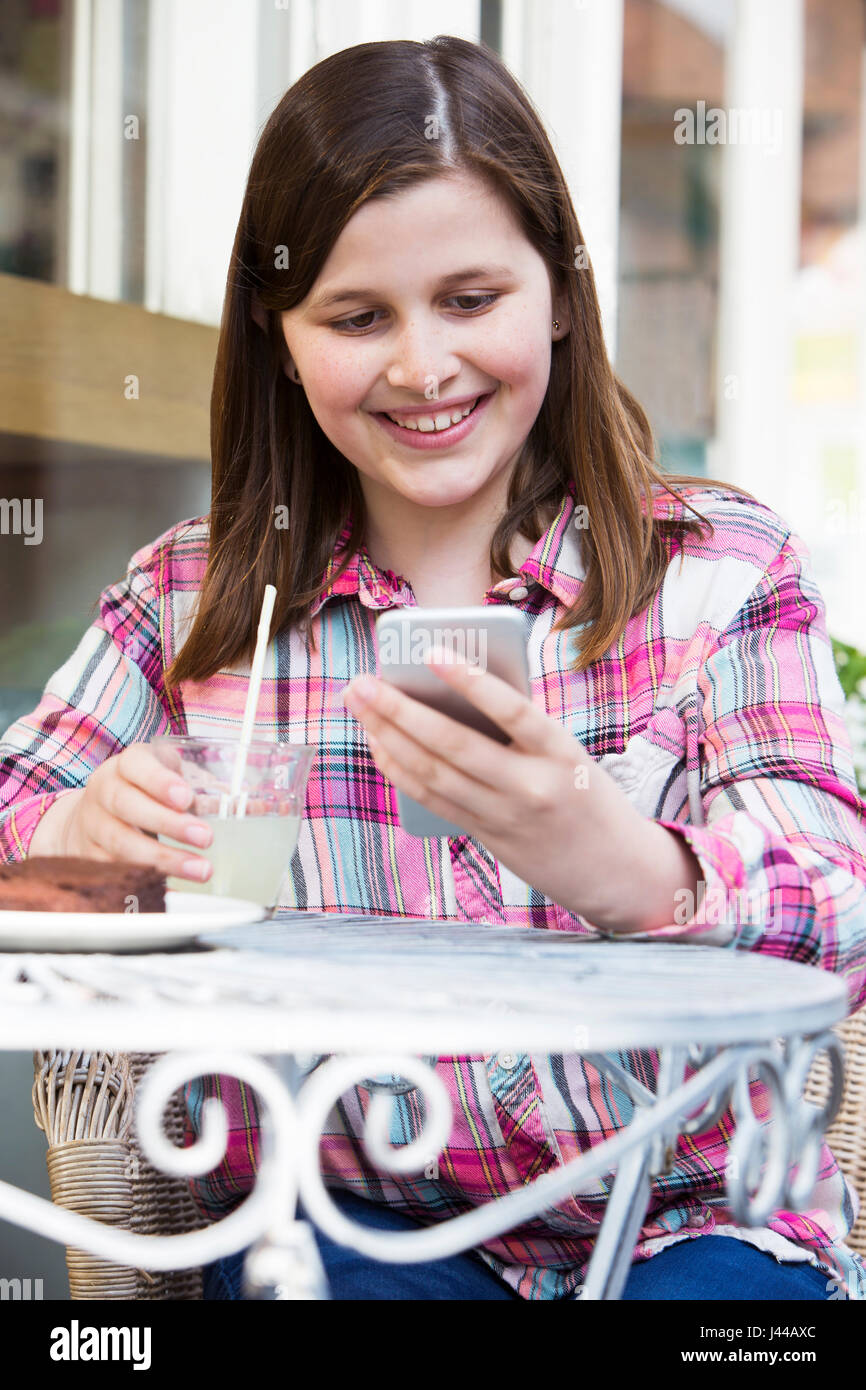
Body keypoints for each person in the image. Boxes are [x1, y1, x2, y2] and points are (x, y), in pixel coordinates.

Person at [2, 35, 865, 1302]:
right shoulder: (192, 599)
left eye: (471, 300)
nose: (421, 366)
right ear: (281, 337)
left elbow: (841, 910)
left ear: (560, 292)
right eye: (357, 317)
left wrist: (618, 859)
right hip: (337, 1226)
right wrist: (72, 832)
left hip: (692, 1227)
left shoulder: (720, 571)